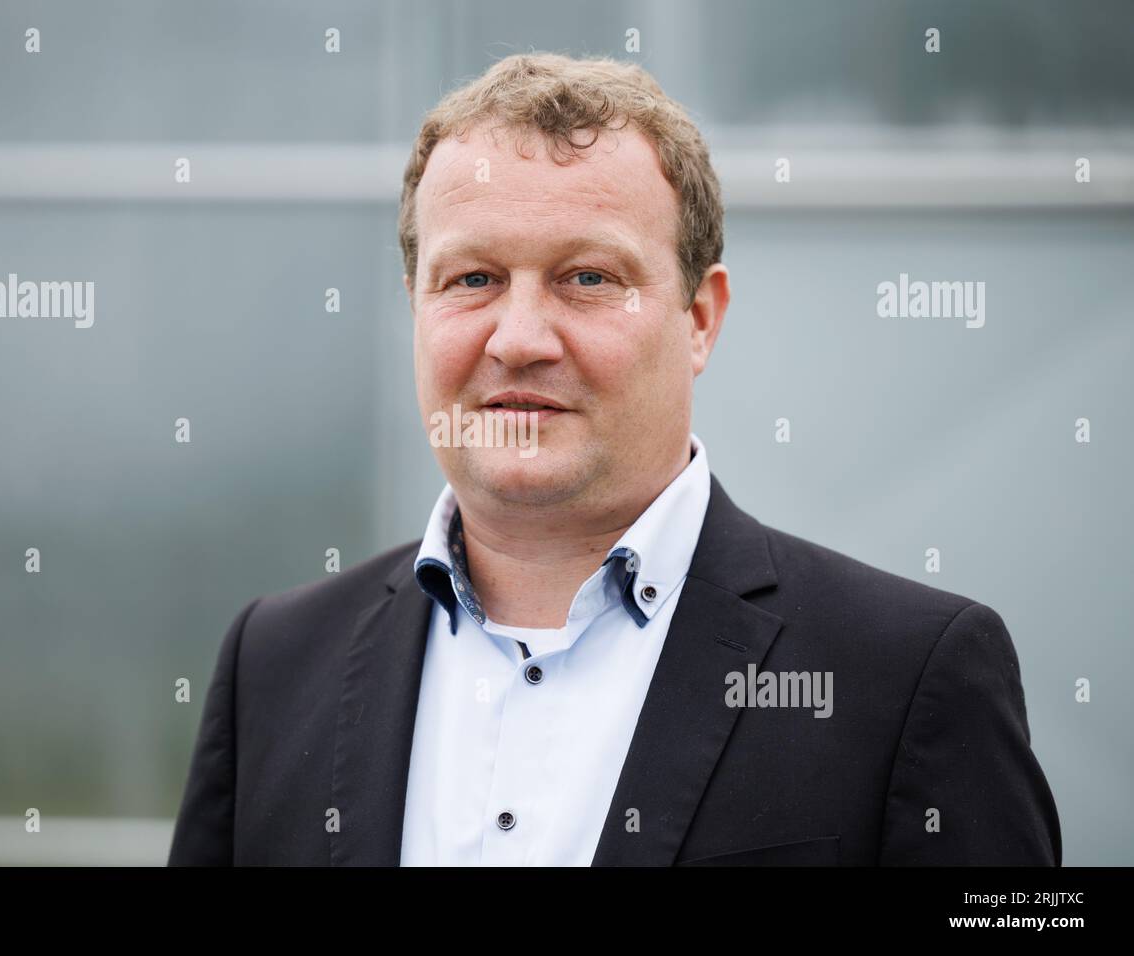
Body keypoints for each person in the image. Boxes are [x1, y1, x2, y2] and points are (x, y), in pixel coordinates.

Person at [168, 52, 1061, 866]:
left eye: (587, 278)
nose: (517, 339)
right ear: (417, 305)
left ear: (700, 318)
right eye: (472, 279)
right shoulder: (276, 665)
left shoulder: (906, 677)